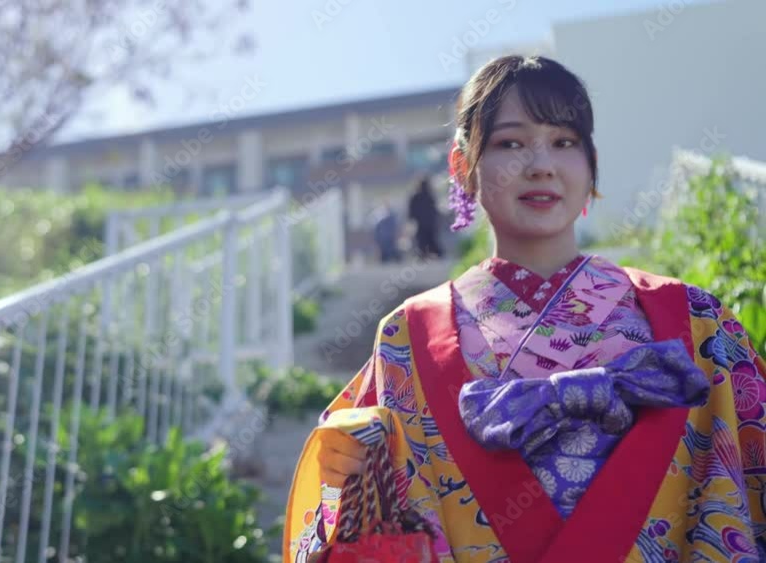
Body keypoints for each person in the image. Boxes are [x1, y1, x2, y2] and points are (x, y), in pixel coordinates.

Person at [284, 55, 766, 563]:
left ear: (590, 161)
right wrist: (346, 468)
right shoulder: (409, 335)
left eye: (565, 142)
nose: (542, 164)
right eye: (510, 143)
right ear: (461, 165)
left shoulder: (692, 318)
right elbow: (357, 513)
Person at [408, 175, 444, 259]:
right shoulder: (429, 195)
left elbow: (411, 210)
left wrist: (412, 218)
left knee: (423, 240)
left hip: (422, 223)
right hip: (428, 223)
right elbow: (434, 210)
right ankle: (432, 253)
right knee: (429, 240)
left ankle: (424, 254)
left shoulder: (416, 196)